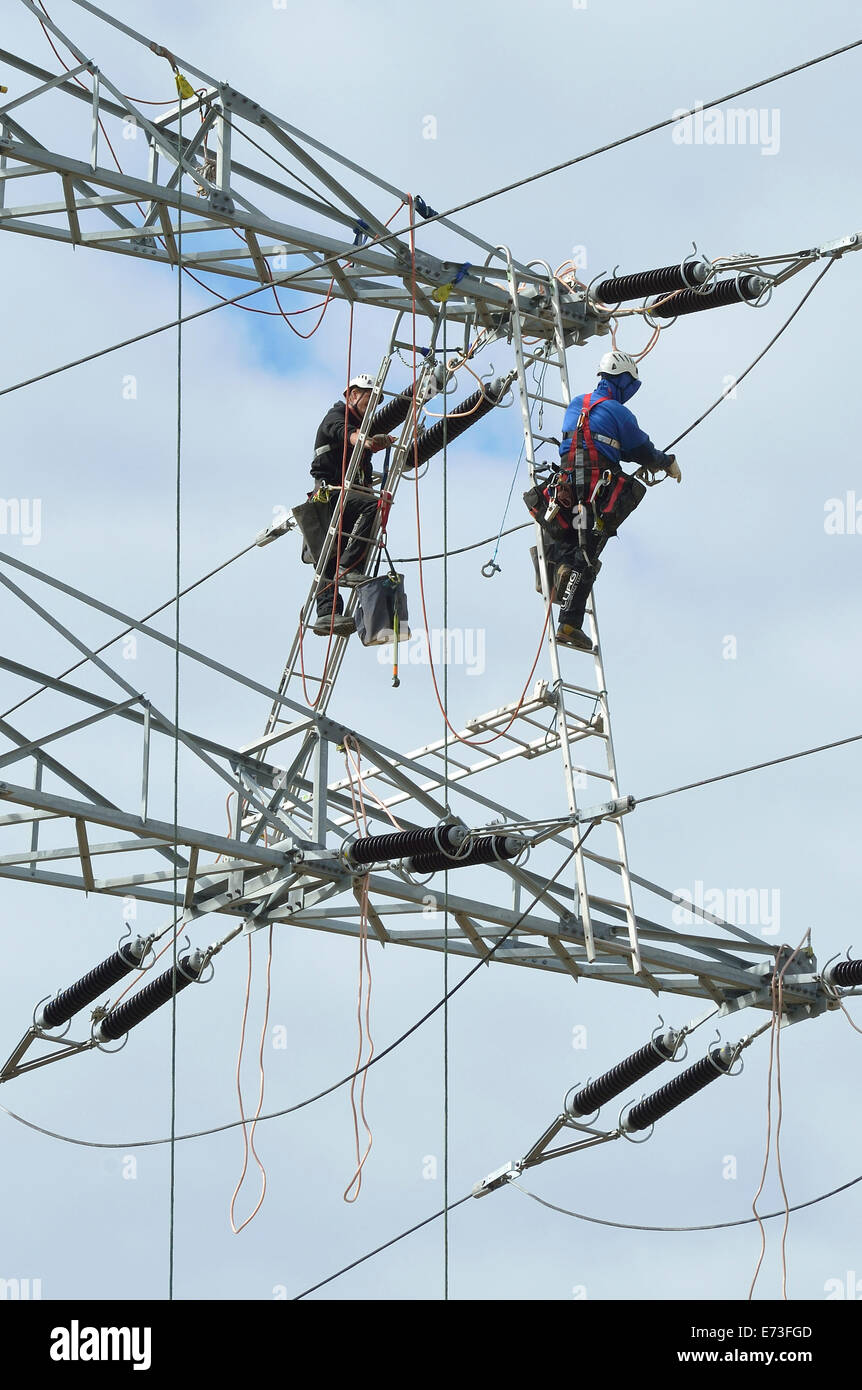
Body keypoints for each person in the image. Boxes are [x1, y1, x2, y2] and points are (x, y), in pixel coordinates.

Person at [545, 349, 680, 651]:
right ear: (622, 381)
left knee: (570, 538)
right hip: (597, 489)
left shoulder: (577, 404)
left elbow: (600, 443)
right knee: (588, 554)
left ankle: (561, 573)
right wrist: (666, 461)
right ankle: (568, 624)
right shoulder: (620, 413)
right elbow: (642, 450)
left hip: (567, 487)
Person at [307, 373, 393, 637]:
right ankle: (349, 568)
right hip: (329, 496)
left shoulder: (360, 425)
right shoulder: (336, 415)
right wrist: (367, 441)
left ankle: (327, 614)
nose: (374, 404)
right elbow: (346, 434)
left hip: (342, 497)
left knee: (329, 554)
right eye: (370, 398)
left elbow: (362, 470)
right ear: (353, 394)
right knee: (371, 506)